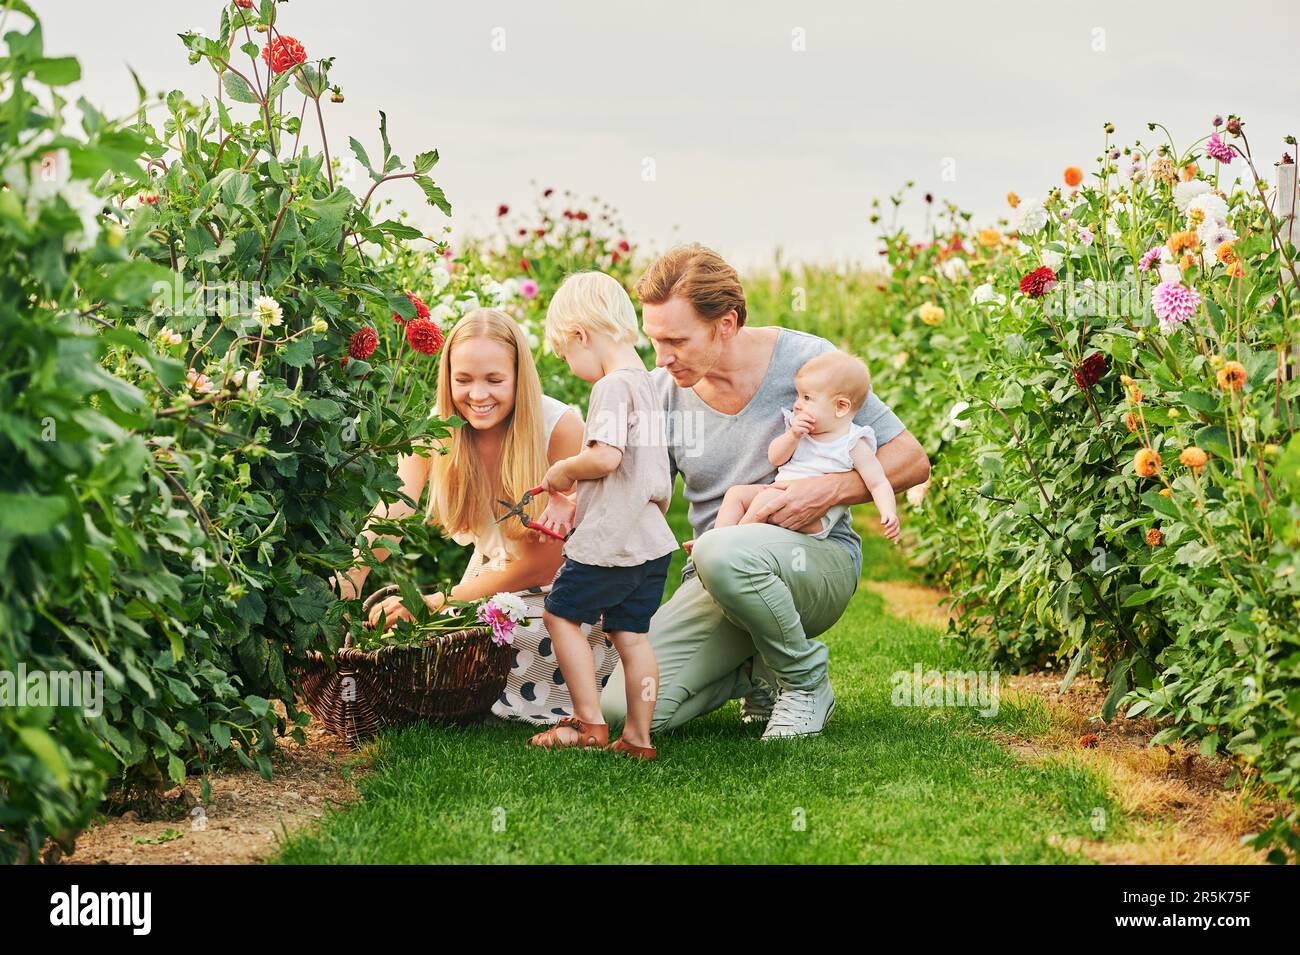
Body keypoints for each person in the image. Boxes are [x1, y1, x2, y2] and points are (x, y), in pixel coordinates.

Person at [599, 245, 931, 740]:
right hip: (715, 576)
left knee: (722, 550)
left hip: (814, 564)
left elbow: (911, 458)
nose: (661, 358)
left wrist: (827, 491)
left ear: (726, 324)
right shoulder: (662, 391)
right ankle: (759, 670)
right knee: (625, 711)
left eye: (676, 341)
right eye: (653, 340)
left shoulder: (809, 364)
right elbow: (636, 501)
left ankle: (803, 681)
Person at [330, 308, 620, 724]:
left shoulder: (558, 427)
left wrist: (433, 603)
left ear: (519, 376)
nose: (477, 395)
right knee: (421, 639)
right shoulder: (439, 429)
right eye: (463, 380)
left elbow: (547, 562)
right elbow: (392, 511)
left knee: (478, 642)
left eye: (494, 380)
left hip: (570, 594)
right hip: (494, 579)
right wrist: (350, 579)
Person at [525, 272, 678, 760]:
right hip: (651, 542)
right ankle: (638, 737)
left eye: (568, 356)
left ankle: (588, 722)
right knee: (632, 636)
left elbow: (606, 457)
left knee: (560, 615)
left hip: (612, 541)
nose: (573, 368)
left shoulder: (612, 387)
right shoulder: (650, 385)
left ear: (580, 334)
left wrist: (563, 470)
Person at [707, 349, 900, 543]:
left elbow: (878, 482)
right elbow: (775, 458)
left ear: (840, 407)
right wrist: (792, 436)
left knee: (766, 499)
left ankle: (729, 544)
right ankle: (715, 539)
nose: (797, 405)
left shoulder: (852, 444)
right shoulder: (800, 431)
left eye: (807, 398)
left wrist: (888, 512)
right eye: (798, 396)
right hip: (779, 493)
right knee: (736, 494)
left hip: (815, 518)